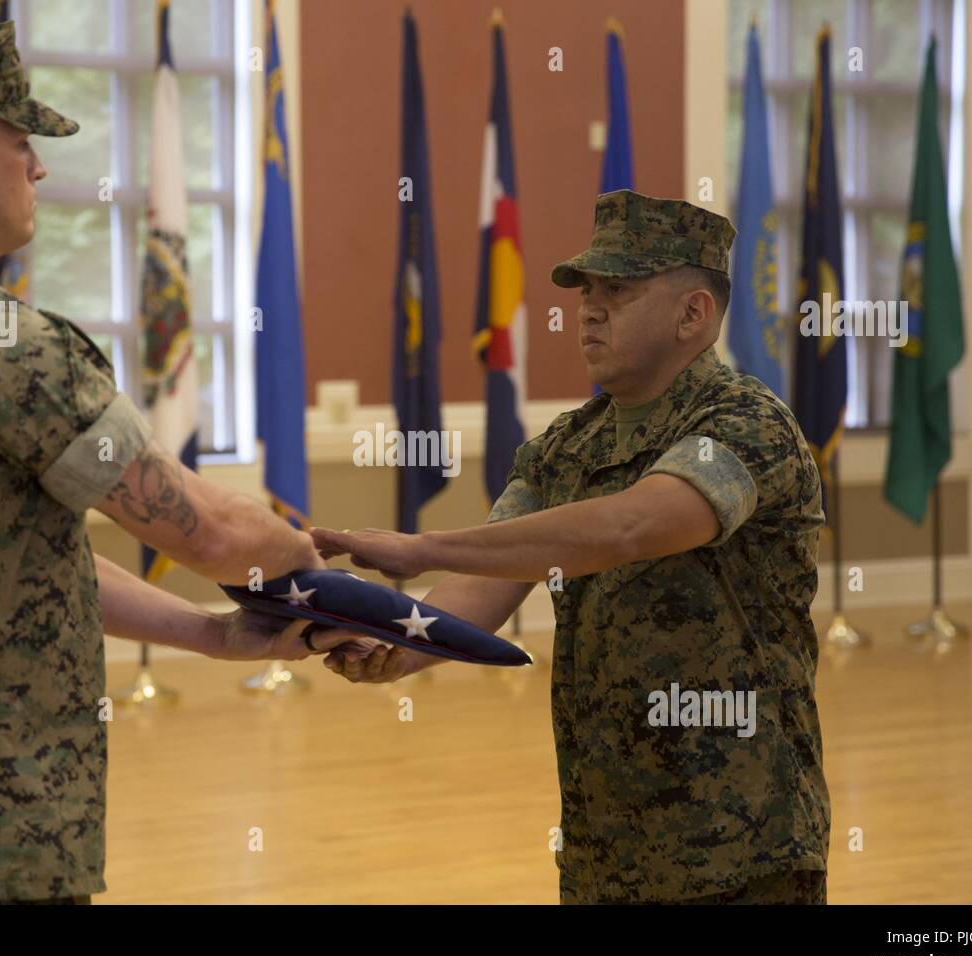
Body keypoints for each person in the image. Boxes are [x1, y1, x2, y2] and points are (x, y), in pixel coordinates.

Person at [0, 21, 388, 905]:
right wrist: (318, 581)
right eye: (21, 142)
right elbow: (209, 529)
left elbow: (18, 562)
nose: (37, 167)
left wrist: (212, 634)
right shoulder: (3, 345)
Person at [316, 189, 831, 905]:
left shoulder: (749, 424)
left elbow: (631, 527)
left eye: (617, 289)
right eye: (587, 289)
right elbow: (489, 579)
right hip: (603, 857)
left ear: (693, 315)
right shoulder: (566, 446)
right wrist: (394, 641)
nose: (588, 308)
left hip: (741, 853)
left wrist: (422, 545)